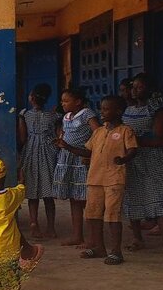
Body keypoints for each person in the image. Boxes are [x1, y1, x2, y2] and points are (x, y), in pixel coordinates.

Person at [58, 95, 137, 264]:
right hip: (95, 178)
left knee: (112, 214)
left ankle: (116, 251)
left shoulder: (125, 131)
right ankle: (98, 247)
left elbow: (132, 150)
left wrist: (123, 160)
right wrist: (68, 147)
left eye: (106, 109)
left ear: (118, 111)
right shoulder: (99, 132)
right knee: (92, 213)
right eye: (101, 108)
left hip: (114, 179)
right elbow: (88, 152)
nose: (102, 112)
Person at [121, 74, 163, 250]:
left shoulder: (156, 109)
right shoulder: (127, 110)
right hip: (132, 161)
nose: (134, 90)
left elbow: (159, 138)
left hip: (152, 160)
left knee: (159, 199)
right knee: (133, 197)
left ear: (148, 89)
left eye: (139, 87)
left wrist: (133, 141)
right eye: (133, 87)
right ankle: (137, 238)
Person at [53, 89, 99, 247]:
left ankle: (93, 238)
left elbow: (98, 133)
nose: (62, 103)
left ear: (78, 101)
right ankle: (77, 235)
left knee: (85, 199)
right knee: (74, 199)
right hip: (67, 159)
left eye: (66, 101)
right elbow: (65, 133)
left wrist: (89, 150)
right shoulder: (66, 117)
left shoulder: (87, 114)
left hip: (81, 158)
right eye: (62, 101)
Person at [17, 84, 60, 238]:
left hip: (31, 152)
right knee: (48, 194)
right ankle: (51, 228)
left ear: (32, 98)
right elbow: (58, 134)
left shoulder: (25, 115)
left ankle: (34, 224)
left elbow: (22, 138)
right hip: (49, 152)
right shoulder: (53, 116)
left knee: (33, 194)